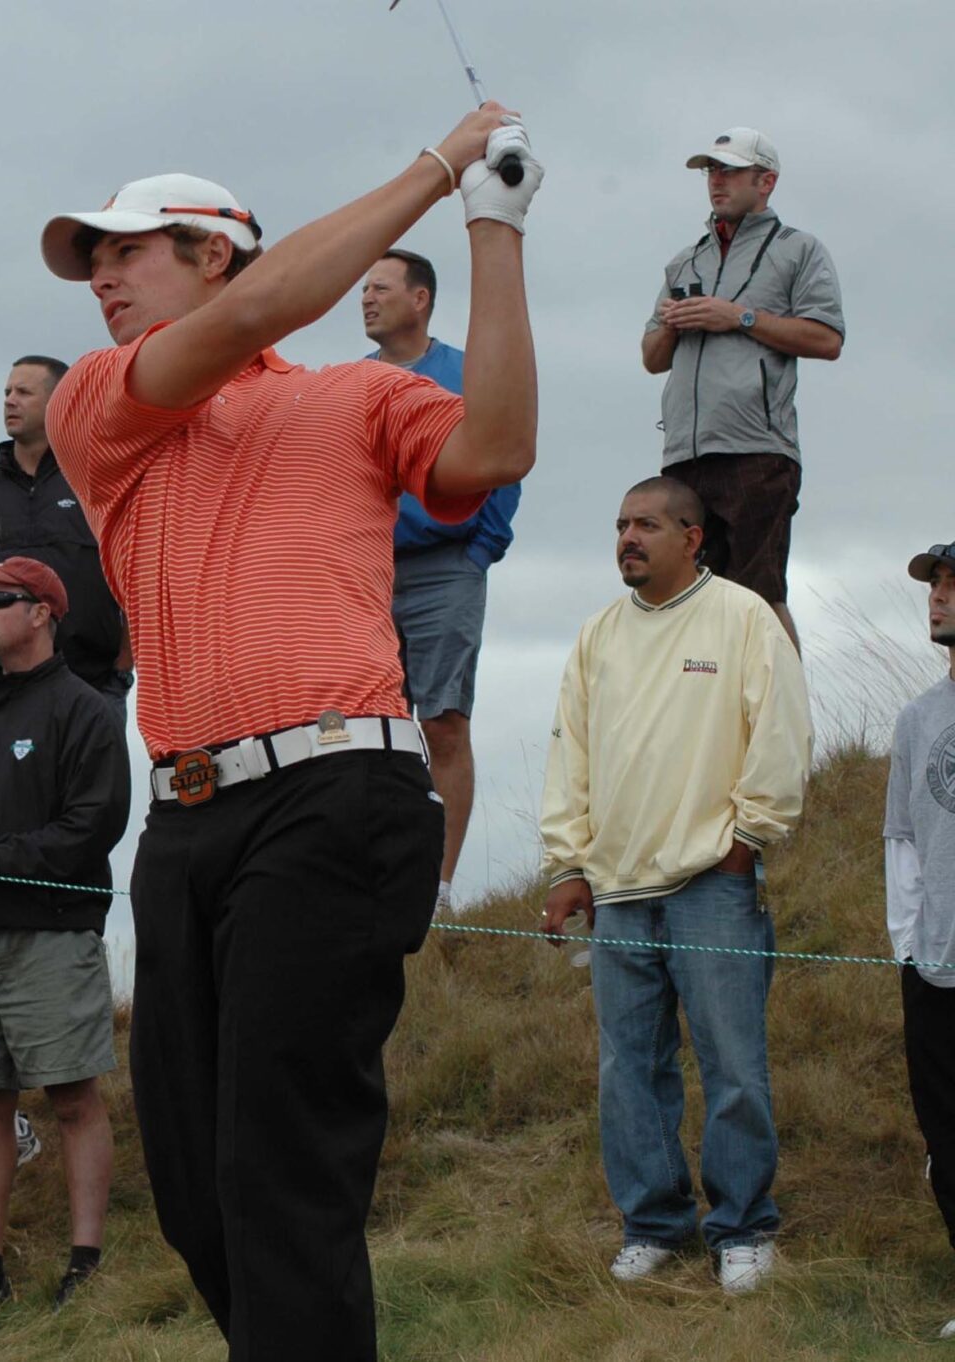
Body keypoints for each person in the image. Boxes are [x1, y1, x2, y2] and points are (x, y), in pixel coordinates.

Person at [39, 107, 543, 1357]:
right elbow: (256, 322)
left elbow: (498, 445)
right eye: (90, 258)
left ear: (216, 253)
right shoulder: (98, 403)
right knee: (206, 1197)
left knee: (278, 1174)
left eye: (128, 249)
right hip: (187, 819)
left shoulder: (362, 395)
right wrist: (433, 165)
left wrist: (490, 226)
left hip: (337, 798)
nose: (99, 277)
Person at [541, 476, 812, 1295]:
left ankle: (743, 1228)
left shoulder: (741, 617)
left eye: (647, 524)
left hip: (711, 884)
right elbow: (570, 755)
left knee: (733, 1063)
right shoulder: (596, 636)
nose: (628, 537)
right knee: (630, 1068)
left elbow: (782, 730)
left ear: (691, 537)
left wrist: (746, 843)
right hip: (618, 889)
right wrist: (568, 865)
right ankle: (654, 1224)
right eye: (621, 523)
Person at [0, 558, 130, 1316]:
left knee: (73, 1095)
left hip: (51, 935)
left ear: (41, 612)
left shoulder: (84, 711)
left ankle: (86, 1257)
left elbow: (94, 824)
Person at [361, 248, 523, 915]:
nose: (366, 298)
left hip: (446, 567)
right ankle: (374, 873)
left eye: (380, 287)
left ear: (419, 298)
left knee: (444, 723)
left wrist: (481, 549)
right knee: (367, 727)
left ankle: (439, 887)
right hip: (365, 570)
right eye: (363, 288)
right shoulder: (351, 380)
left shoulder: (463, 373)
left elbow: (504, 457)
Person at [642, 127, 845, 647]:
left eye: (729, 170)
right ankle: (713, 724)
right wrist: (671, 323)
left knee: (758, 597)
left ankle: (787, 721)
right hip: (684, 454)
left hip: (757, 450)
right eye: (711, 171)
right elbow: (651, 358)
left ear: (766, 181)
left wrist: (739, 316)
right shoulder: (685, 261)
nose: (716, 181)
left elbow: (827, 338)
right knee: (687, 600)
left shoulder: (800, 250)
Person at [0, 358, 131, 717]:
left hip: (94, 682)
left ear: (59, 403)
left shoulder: (100, 478)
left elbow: (138, 569)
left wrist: (124, 660)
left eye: (23, 392)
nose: (9, 400)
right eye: (7, 391)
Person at [885, 537, 955, 1335]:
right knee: (946, 1132)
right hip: (935, 969)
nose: (936, 597)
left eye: (951, 584)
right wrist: (909, 944)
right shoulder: (916, 720)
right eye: (933, 584)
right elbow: (900, 839)